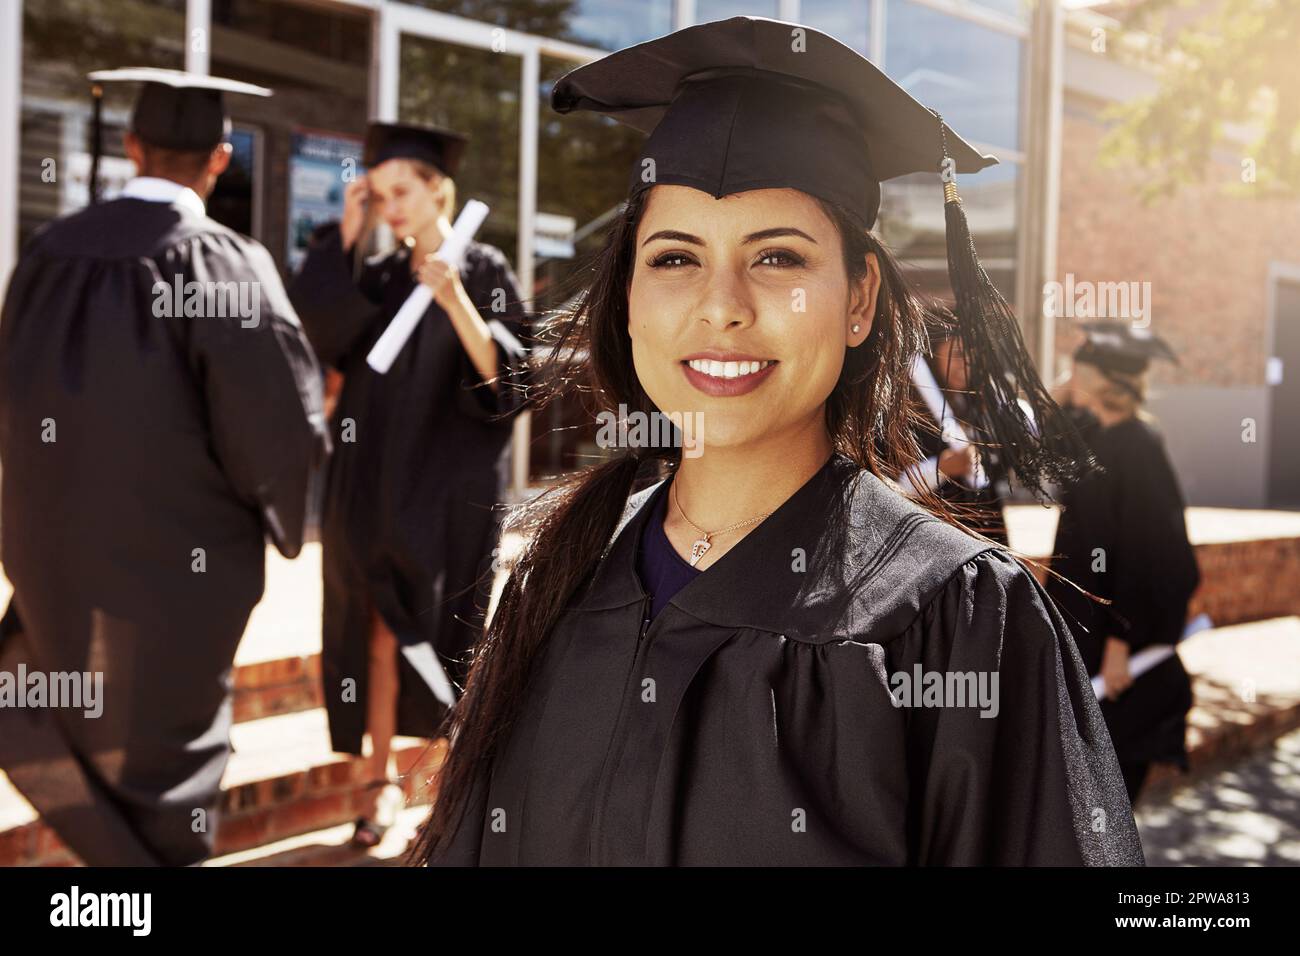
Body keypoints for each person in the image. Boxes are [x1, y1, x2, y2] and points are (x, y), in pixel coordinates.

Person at [411, 17, 1143, 866]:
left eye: (779, 260)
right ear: (627, 299)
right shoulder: (559, 575)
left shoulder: (958, 622)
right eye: (675, 258)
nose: (720, 306)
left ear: (859, 299)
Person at [0, 68, 327, 866]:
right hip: (179, 568)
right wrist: (284, 509)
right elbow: (278, 426)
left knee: (69, 716)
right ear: (220, 159)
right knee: (161, 756)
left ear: (131, 145)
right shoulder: (225, 263)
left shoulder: (48, 253)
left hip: (56, 554)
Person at [288, 121, 529, 848]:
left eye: (401, 191)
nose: (390, 205)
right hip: (370, 478)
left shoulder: (481, 266)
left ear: (437, 189)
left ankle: (447, 789)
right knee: (377, 632)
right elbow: (319, 330)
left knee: (443, 634)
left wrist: (454, 299)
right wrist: (346, 231)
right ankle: (379, 784)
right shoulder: (383, 273)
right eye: (378, 192)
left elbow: (511, 380)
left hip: (447, 483)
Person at [1047, 320, 1199, 806]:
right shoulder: (1095, 435)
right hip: (1084, 629)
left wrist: (1121, 640)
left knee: (1106, 796)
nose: (1070, 369)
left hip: (1114, 653)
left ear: (1101, 377)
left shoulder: (1137, 448)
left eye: (1080, 364)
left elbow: (1152, 553)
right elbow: (1034, 445)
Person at [892, 305, 1011, 545]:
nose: (966, 363)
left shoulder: (975, 404)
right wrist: (942, 468)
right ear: (933, 353)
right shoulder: (906, 413)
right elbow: (891, 489)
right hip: (932, 539)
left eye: (973, 354)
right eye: (957, 354)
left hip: (982, 533)